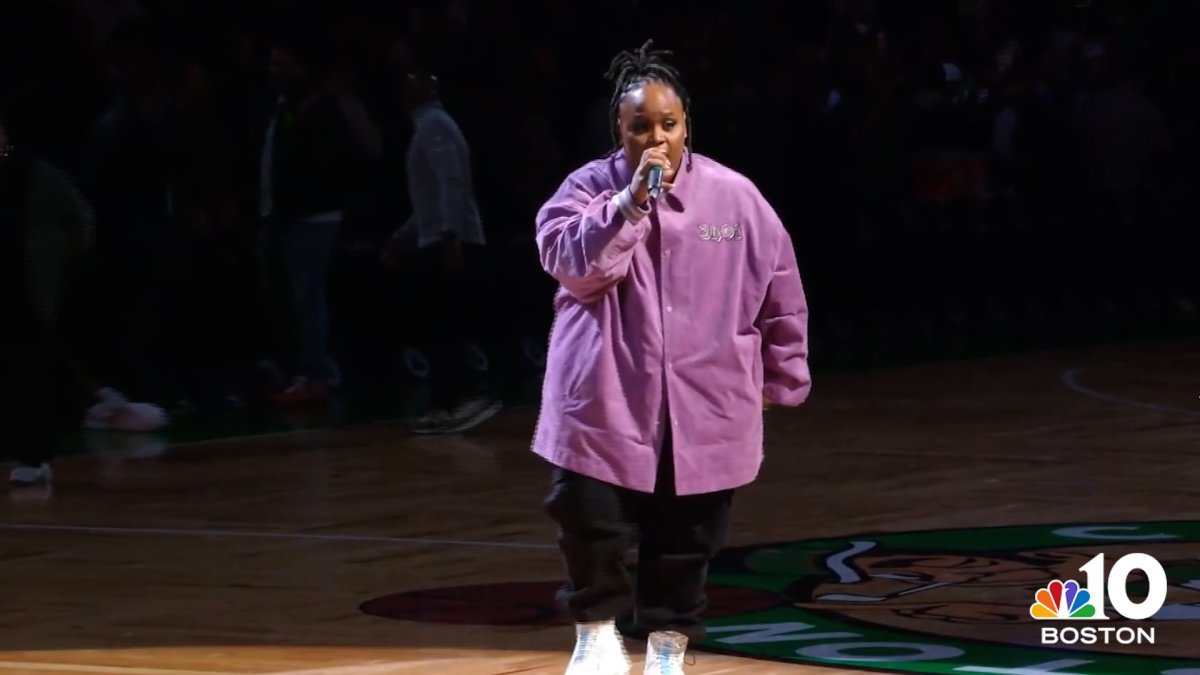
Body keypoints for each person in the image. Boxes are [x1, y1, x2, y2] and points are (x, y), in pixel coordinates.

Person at [533, 41, 812, 674]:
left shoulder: (736, 199)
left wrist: (784, 373)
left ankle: (667, 649)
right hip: (605, 396)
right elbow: (576, 267)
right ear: (618, 130)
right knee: (590, 521)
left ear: (687, 123)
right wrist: (629, 204)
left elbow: (782, 288)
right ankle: (597, 635)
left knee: (688, 536)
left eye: (669, 123)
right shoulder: (584, 190)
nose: (656, 136)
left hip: (706, 399)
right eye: (640, 126)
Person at [384, 71, 502, 434]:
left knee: (444, 323)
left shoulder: (434, 126)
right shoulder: (430, 126)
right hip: (438, 237)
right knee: (441, 322)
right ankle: (448, 401)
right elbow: (430, 200)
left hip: (447, 240)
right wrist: (402, 237)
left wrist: (450, 236)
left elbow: (450, 183)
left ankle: (453, 401)